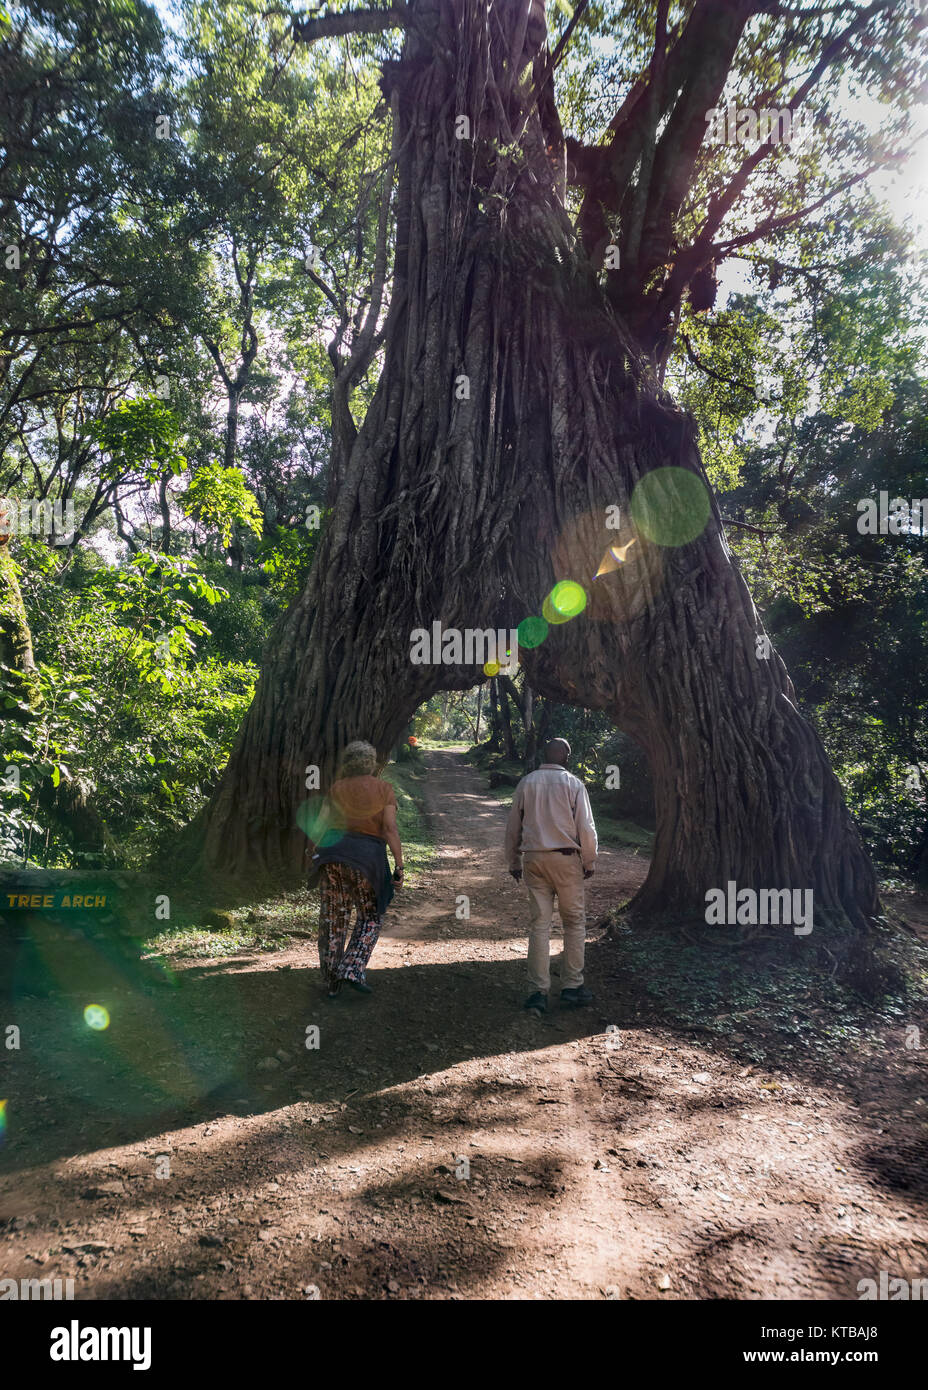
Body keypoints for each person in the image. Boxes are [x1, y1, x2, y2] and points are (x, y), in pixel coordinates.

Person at [504, 738, 598, 1012]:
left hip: (534, 860)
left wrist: (513, 860)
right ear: (566, 757)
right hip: (567, 860)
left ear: (544, 755)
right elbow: (586, 827)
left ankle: (537, 993)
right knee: (574, 923)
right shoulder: (573, 784)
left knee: (540, 925)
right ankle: (572, 986)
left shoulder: (527, 783)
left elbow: (513, 826)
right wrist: (589, 861)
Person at [306, 741, 404, 998]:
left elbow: (320, 826)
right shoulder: (384, 789)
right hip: (366, 862)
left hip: (332, 858)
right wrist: (399, 864)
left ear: (348, 763)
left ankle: (331, 983)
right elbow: (389, 829)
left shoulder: (337, 788)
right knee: (371, 916)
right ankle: (352, 968)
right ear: (372, 763)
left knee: (333, 920)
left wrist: (313, 853)